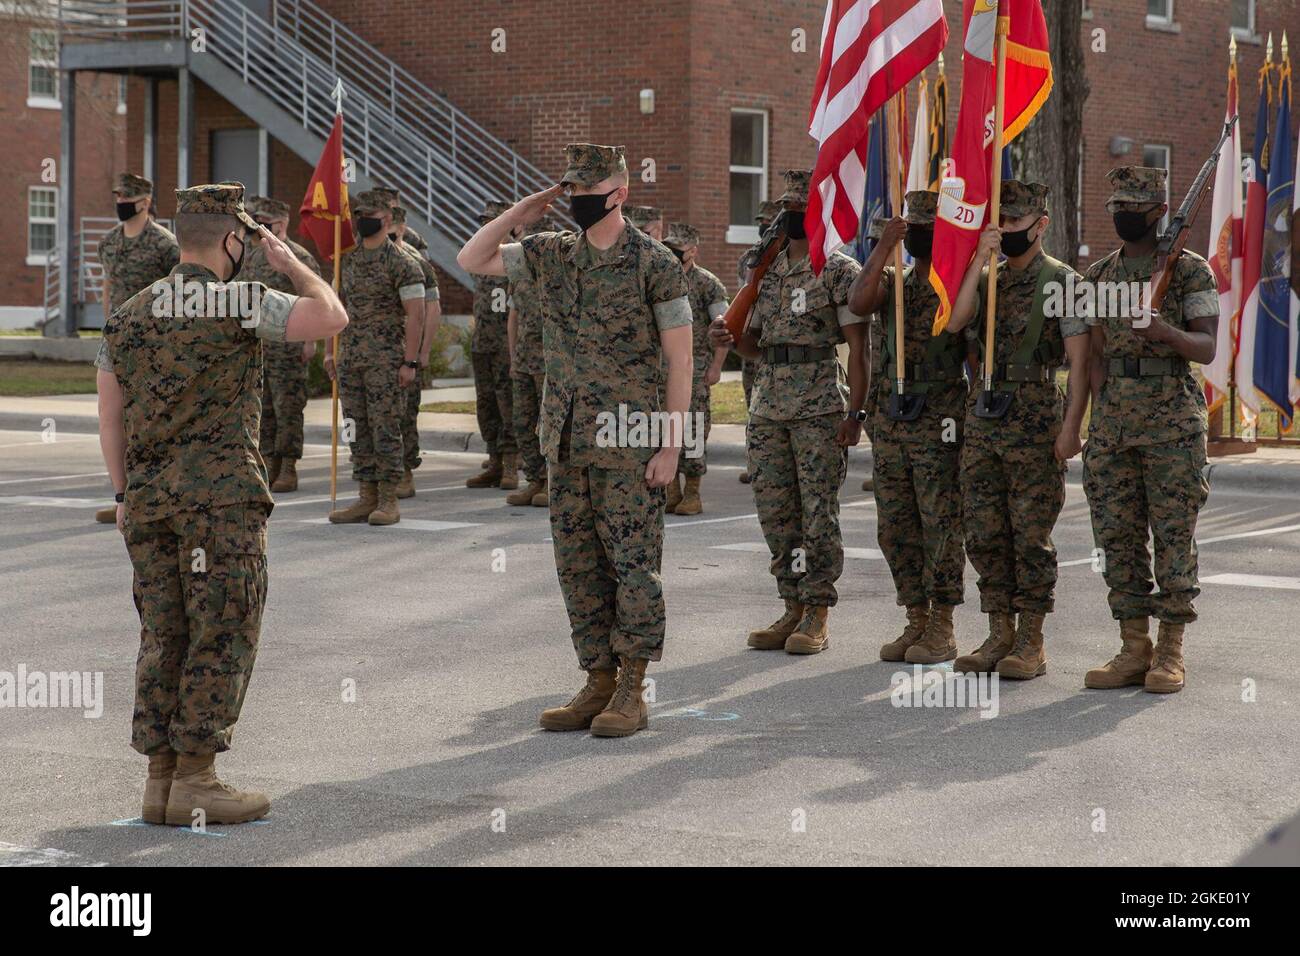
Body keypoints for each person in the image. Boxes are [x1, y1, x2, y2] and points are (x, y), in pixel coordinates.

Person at [95, 182, 347, 825]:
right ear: (234, 240)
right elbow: (331, 318)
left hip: (148, 502)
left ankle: (161, 782)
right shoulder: (241, 301)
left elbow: (110, 414)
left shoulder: (128, 313)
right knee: (222, 630)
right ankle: (197, 778)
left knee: (163, 635)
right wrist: (293, 265)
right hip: (220, 502)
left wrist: (122, 493)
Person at [457, 143, 692, 737]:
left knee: (633, 566)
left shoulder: (654, 262)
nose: (578, 205)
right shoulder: (550, 254)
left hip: (632, 439)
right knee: (578, 565)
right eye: (571, 194)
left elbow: (680, 358)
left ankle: (633, 688)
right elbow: (472, 258)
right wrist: (521, 212)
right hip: (566, 439)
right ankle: (597, 679)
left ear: (620, 194)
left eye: (588, 195)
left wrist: (670, 447)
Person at [710, 169, 867, 655]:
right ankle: (792, 603)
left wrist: (856, 415)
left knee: (818, 512)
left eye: (802, 208)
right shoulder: (767, 273)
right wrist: (730, 339)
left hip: (819, 405)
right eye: (787, 208)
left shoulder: (839, 271)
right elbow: (756, 346)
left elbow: (859, 351)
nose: (792, 216)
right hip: (768, 408)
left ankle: (817, 611)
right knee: (777, 513)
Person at [944, 181, 1091, 679]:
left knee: (1030, 534)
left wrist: (1072, 429)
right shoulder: (989, 278)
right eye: (1000, 222)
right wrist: (976, 263)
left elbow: (1080, 363)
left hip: (1034, 417)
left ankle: (1031, 639)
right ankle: (998, 631)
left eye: (1014, 223)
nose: (1005, 230)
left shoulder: (1063, 282)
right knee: (984, 531)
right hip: (984, 416)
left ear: (1040, 225)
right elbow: (954, 322)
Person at [1080, 166, 1218, 694]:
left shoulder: (1189, 271)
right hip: (1113, 424)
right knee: (1116, 537)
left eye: (1132, 208)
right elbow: (1092, 356)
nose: (1122, 215)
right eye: (1116, 205)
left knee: (1172, 536)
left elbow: (1206, 347)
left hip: (1172, 426)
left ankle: (1171, 650)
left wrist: (1163, 330)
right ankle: (1132, 646)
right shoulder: (1098, 277)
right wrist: (1091, 425)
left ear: (1158, 213)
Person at [847, 192, 969, 664]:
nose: (919, 236)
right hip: (892, 420)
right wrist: (883, 248)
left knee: (940, 523)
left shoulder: (958, 287)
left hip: (940, 415)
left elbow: (975, 356)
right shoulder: (894, 282)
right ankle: (915, 617)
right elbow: (859, 302)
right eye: (912, 228)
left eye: (927, 229)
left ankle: (942, 624)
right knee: (895, 526)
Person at [325, 191, 426, 525]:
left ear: (387, 218)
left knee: (385, 427)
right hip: (350, 359)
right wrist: (330, 351)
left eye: (371, 213)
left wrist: (410, 362)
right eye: (360, 212)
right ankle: (365, 496)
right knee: (355, 428)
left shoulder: (402, 263)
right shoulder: (346, 261)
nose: (363, 218)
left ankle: (388, 498)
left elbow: (416, 316)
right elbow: (334, 309)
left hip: (385, 362)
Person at [94, 173, 180, 525]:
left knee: (152, 420)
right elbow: (108, 286)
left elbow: (177, 293)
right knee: (114, 417)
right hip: (118, 341)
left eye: (127, 197)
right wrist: (106, 330)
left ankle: (157, 497)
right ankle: (125, 496)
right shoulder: (110, 241)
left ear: (145, 201)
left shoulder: (165, 244)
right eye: (117, 196)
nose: (120, 203)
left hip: (154, 342)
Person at [242, 196, 322, 493]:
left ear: (283, 224)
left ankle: (288, 466)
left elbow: (314, 300)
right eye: (257, 222)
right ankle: (267, 463)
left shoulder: (298, 257)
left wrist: (310, 341)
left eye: (265, 222)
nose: (259, 227)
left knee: (288, 406)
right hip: (259, 344)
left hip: (288, 344)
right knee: (262, 409)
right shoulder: (250, 255)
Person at [661, 222, 729, 514]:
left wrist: (716, 366)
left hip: (696, 368)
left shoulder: (708, 283)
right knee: (663, 428)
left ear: (693, 251)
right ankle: (671, 490)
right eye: (669, 249)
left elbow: (724, 328)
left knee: (694, 429)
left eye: (678, 250)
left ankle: (693, 492)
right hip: (661, 368)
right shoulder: (661, 279)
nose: (672, 255)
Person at [387, 204, 442, 499]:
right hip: (373, 353)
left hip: (403, 352)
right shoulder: (360, 259)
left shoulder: (415, 262)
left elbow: (432, 311)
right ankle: (379, 476)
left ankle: (405, 472)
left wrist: (422, 352)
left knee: (404, 416)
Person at [466, 201, 520, 491]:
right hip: (482, 343)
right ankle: (494, 460)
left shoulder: (515, 257)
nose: (486, 226)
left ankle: (511, 463)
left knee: (507, 404)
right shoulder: (479, 259)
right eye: (484, 221)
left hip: (505, 345)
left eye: (491, 221)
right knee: (486, 403)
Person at [505, 215, 555, 508]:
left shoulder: (561, 278)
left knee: (548, 426)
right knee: (523, 422)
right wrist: (513, 357)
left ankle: (552, 482)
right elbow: (514, 318)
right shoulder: (521, 277)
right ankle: (534, 480)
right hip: (524, 361)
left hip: (551, 363)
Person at [737, 200, 780, 484]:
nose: (763, 226)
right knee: (754, 404)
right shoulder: (750, 258)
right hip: (752, 339)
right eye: (760, 221)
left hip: (776, 345)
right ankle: (755, 460)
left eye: (768, 221)